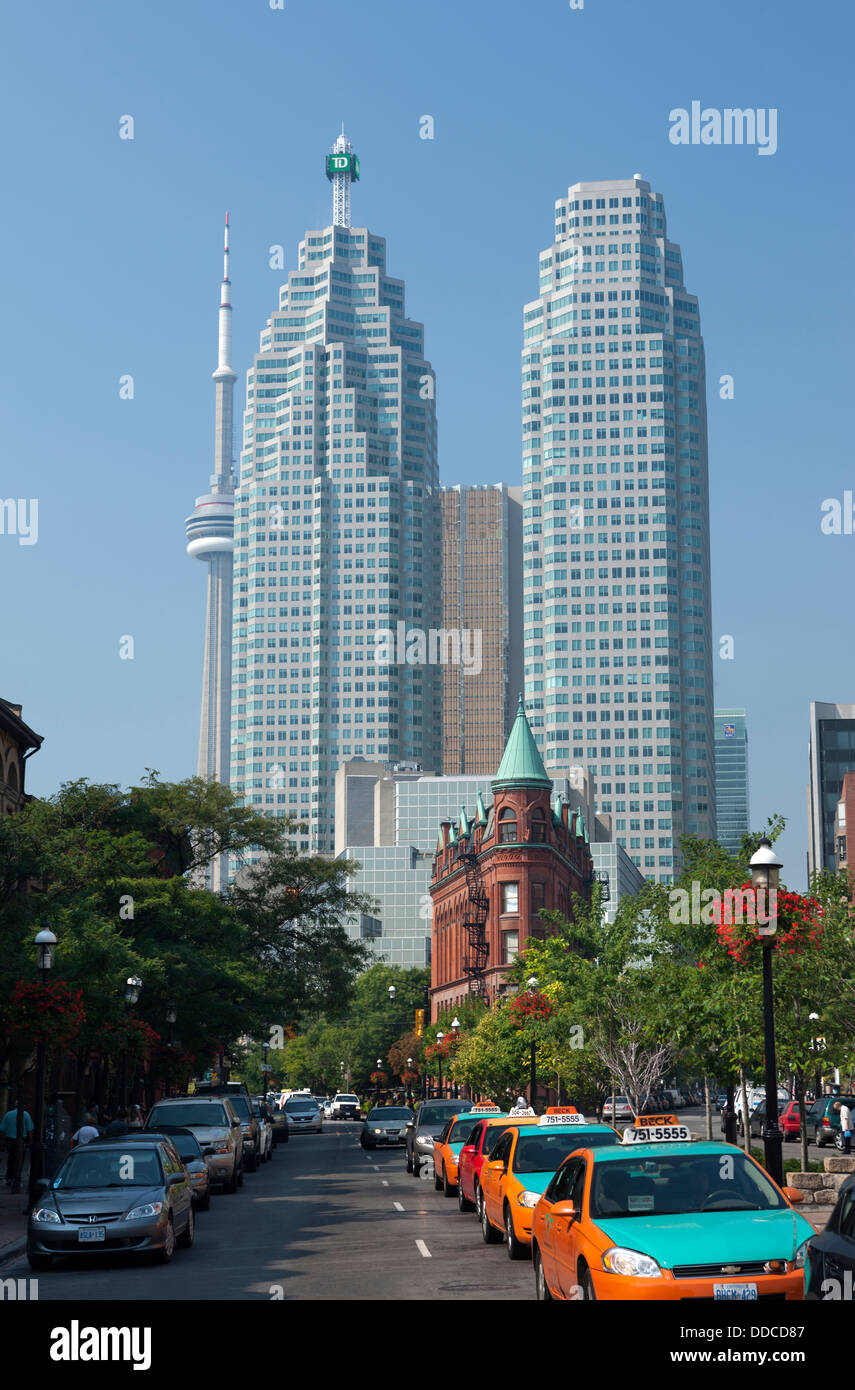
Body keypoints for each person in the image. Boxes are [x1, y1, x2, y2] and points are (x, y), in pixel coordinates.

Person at [1, 1102, 34, 1185]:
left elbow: (2, 1129)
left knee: (11, 1158)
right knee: (20, 1159)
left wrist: (3, 1141)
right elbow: (30, 1130)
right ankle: (17, 1178)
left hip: (10, 1140)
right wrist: (30, 1142)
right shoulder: (26, 1115)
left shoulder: (8, 1114)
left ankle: (9, 1177)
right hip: (21, 1140)